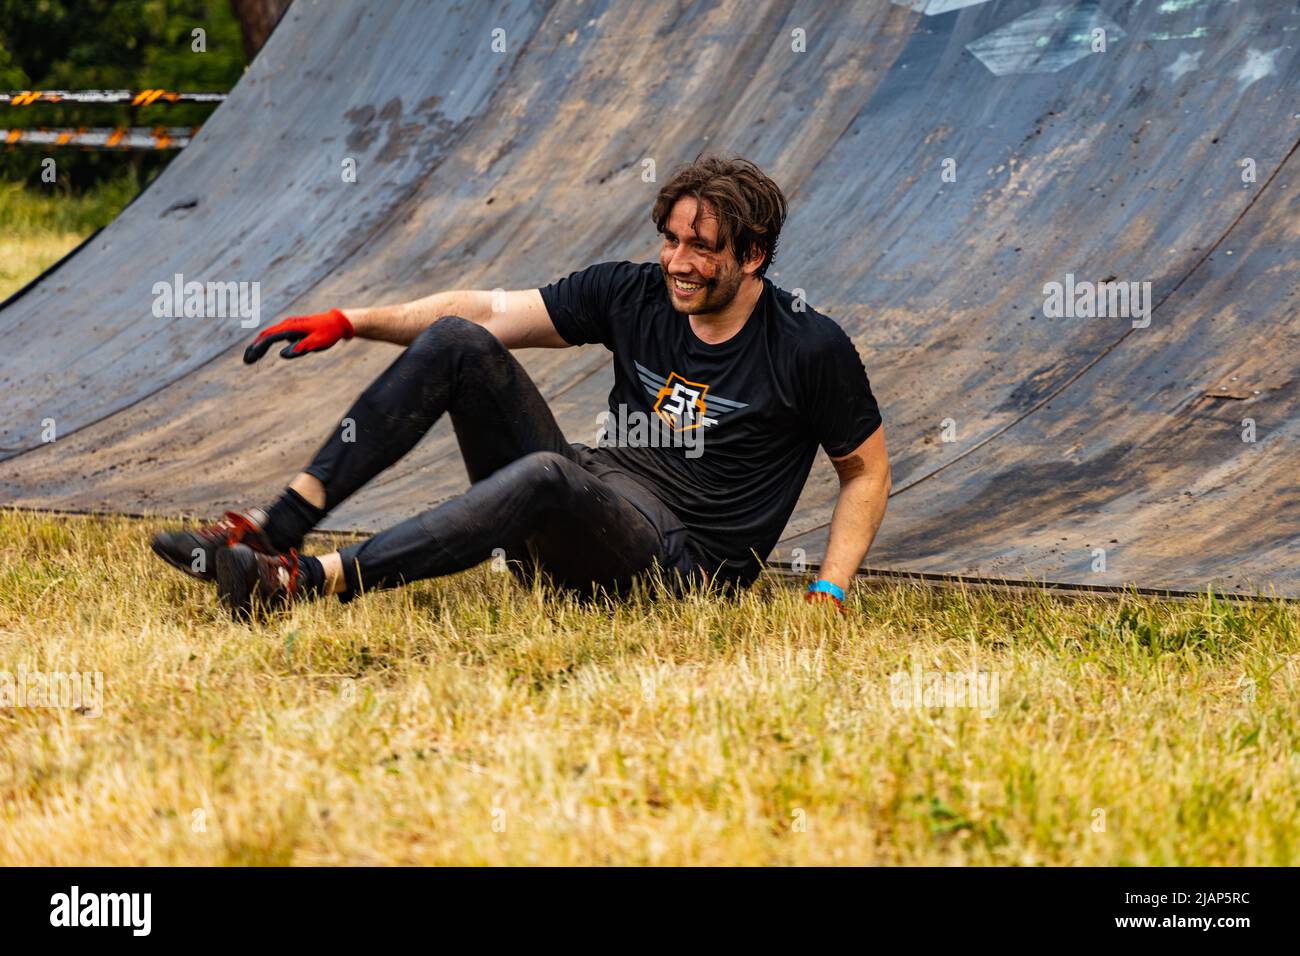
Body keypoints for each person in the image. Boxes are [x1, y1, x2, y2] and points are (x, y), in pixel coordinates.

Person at [150, 156, 891, 619]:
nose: (678, 261)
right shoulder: (632, 292)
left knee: (544, 474)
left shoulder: (807, 344)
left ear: (754, 256)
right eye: (670, 238)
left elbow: (865, 471)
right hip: (590, 504)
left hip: (679, 568)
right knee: (458, 344)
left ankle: (302, 584)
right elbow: (491, 312)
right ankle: (275, 531)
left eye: (703, 247)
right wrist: (353, 320)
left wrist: (829, 588)